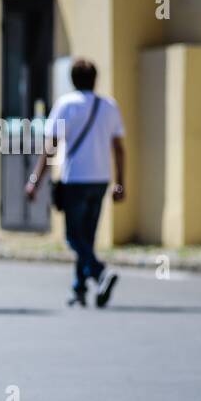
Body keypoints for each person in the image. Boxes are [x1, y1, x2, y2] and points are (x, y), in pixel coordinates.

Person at [25, 58, 125, 307]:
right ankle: (79, 288)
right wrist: (120, 183)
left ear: (72, 81)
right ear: (95, 79)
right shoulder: (109, 106)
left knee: (73, 236)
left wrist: (35, 180)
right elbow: (119, 148)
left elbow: (51, 147)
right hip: (101, 179)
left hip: (76, 178)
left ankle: (99, 272)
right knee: (87, 236)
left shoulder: (66, 105)